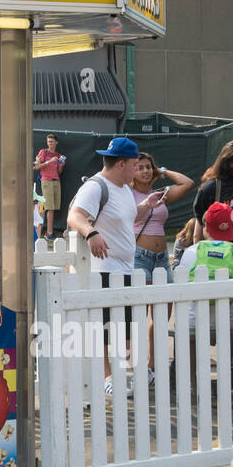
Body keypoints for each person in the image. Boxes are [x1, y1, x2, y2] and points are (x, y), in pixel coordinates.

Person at [67, 137, 158, 391]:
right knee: (105, 328)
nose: (137, 170)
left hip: (125, 268)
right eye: (134, 164)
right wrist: (91, 233)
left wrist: (145, 206)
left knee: (126, 326)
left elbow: (125, 217)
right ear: (121, 164)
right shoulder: (96, 186)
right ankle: (107, 378)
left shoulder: (124, 189)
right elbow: (75, 215)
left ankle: (129, 373)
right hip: (104, 269)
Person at [175, 202, 233, 371]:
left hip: (194, 322)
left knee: (187, 329)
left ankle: (191, 382)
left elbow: (180, 289)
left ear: (206, 227)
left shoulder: (190, 253)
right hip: (232, 323)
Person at [129, 153, 195, 278]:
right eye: (140, 168)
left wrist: (162, 171)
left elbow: (188, 183)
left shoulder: (159, 195)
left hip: (162, 257)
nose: (146, 171)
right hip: (139, 256)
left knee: (167, 297)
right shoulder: (127, 192)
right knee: (145, 296)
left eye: (148, 167)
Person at [33, 133, 66, 238]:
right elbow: (36, 167)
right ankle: (49, 233)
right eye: (48, 141)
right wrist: (49, 161)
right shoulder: (43, 152)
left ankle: (48, 232)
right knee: (49, 208)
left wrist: (62, 165)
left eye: (51, 141)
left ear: (56, 142)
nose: (49, 143)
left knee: (54, 208)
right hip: (46, 181)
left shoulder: (59, 155)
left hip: (56, 181)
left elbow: (59, 172)